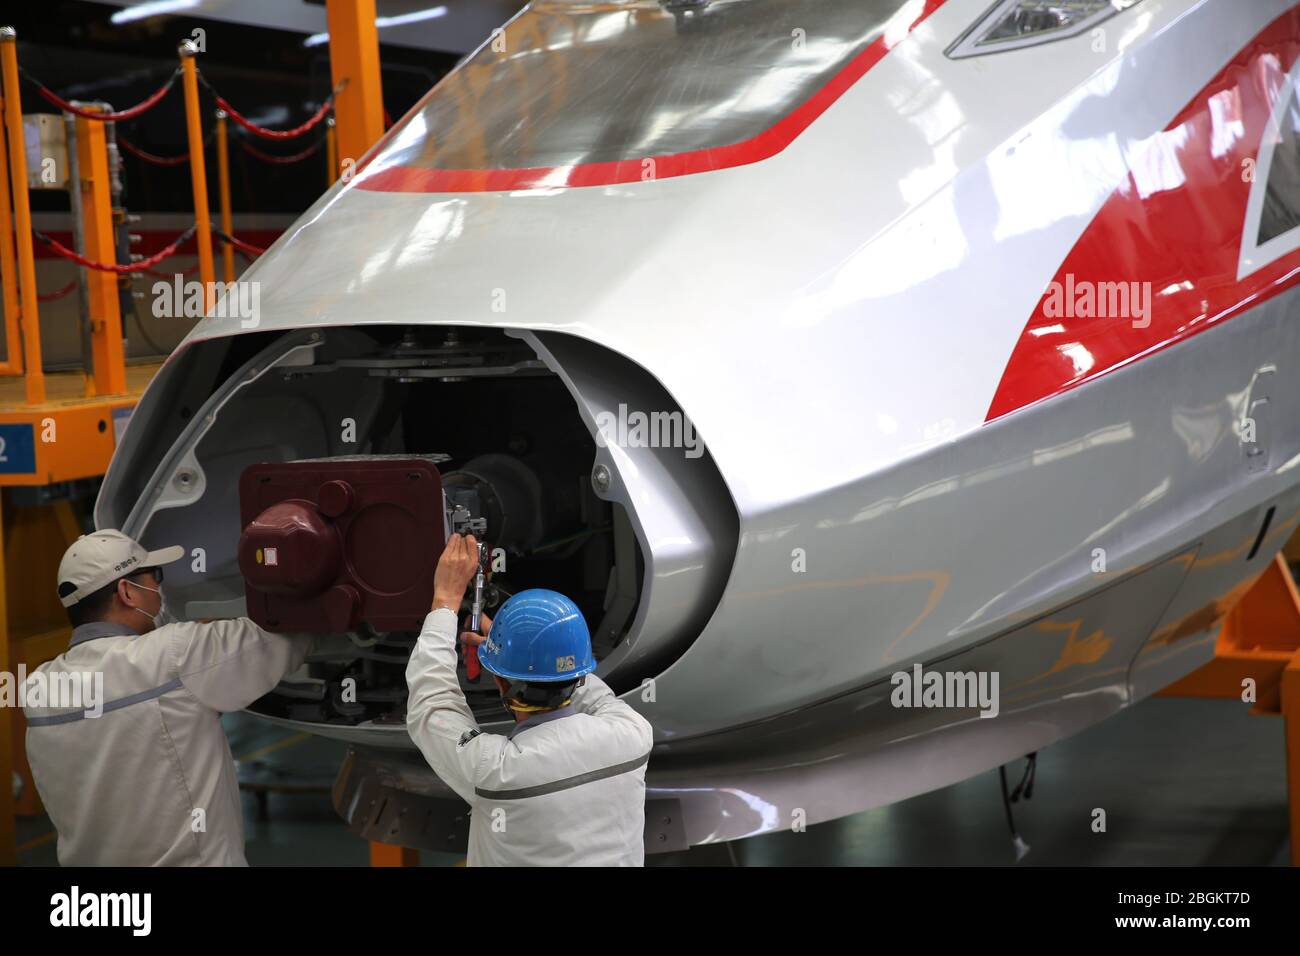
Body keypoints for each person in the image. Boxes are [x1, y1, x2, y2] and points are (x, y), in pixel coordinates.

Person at [23, 529, 312, 865]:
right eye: (153, 576)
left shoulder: (38, 689)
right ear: (127, 591)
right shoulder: (171, 656)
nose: (159, 588)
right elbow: (283, 640)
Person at [406, 533, 653, 866]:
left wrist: (446, 601)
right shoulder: (634, 734)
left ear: (499, 680)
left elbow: (431, 704)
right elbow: (584, 686)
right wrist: (516, 650)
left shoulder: (499, 772)